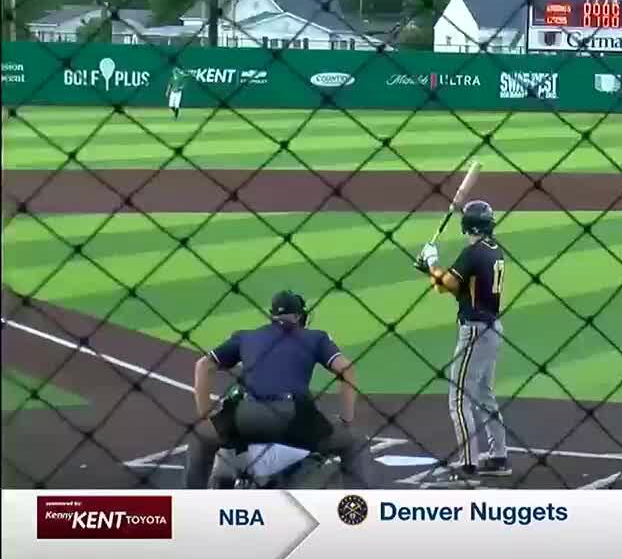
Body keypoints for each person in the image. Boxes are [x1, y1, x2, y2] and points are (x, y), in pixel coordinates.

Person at [184, 290, 370, 489]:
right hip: (292, 416)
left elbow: (203, 365)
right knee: (354, 441)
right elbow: (347, 369)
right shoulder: (316, 337)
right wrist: (347, 419)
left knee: (200, 436)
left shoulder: (246, 336)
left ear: (272, 315)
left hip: (246, 415)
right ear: (299, 316)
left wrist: (206, 415)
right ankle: (357, 512)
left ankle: (190, 504)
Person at [414, 200, 511, 488]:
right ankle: (498, 457)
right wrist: (428, 270)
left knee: (459, 400)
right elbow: (453, 287)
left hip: (474, 332)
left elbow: (445, 286)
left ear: (466, 225)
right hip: (493, 327)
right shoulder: (494, 250)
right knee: (483, 394)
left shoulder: (472, 253)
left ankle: (469, 463)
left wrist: (431, 261)